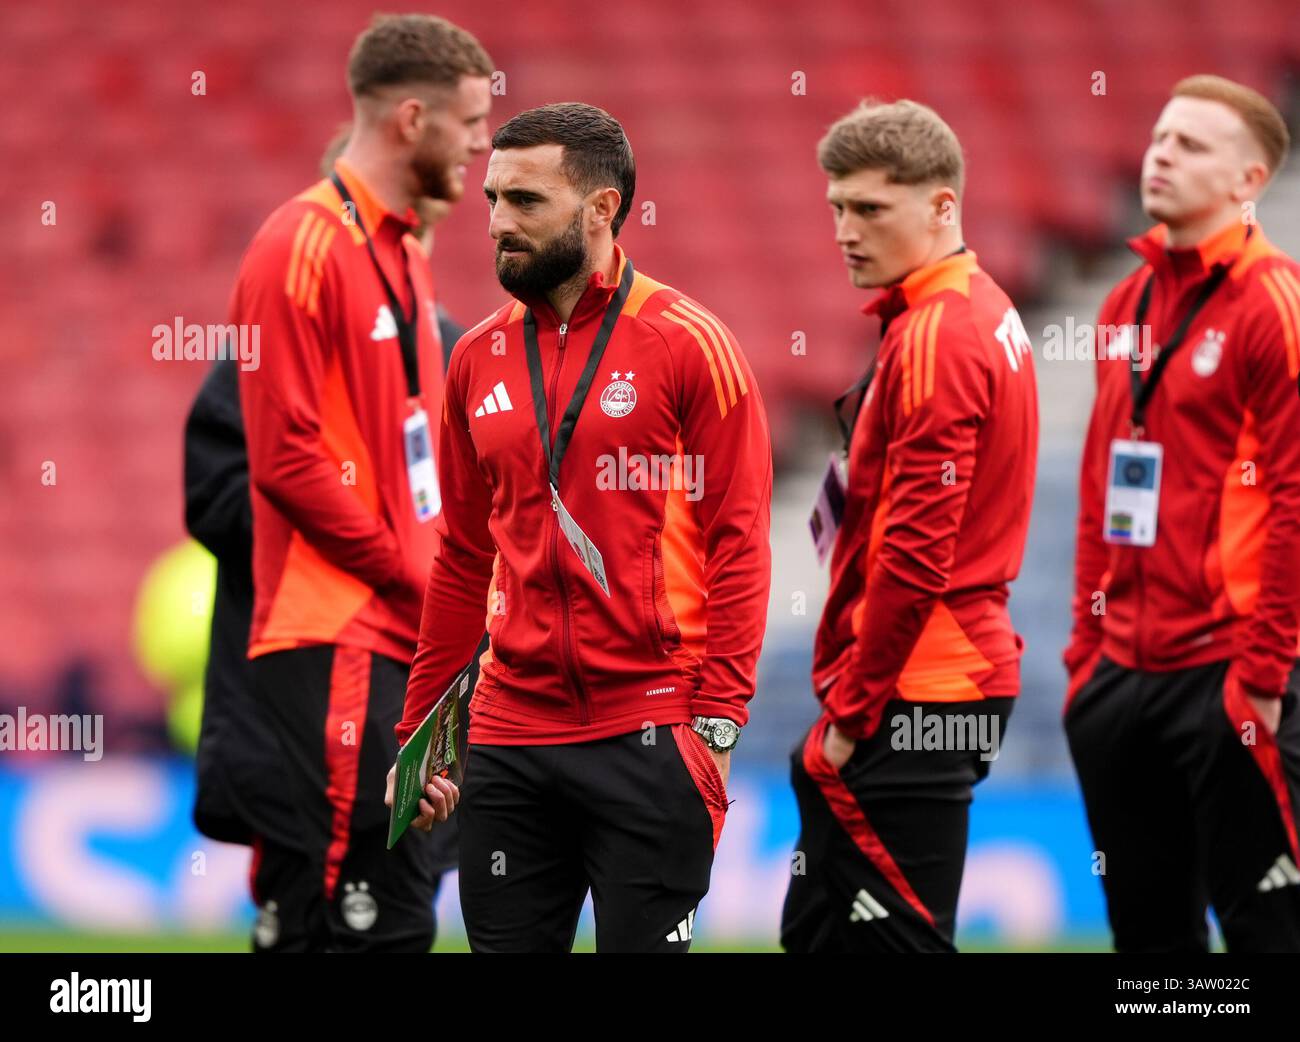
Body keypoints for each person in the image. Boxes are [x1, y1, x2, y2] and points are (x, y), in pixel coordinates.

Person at [390, 103, 773, 952]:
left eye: (525, 201)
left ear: (601, 210)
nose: (496, 223)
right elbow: (460, 559)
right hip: (510, 736)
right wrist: (423, 737)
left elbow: (739, 543)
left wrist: (715, 727)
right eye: (492, 199)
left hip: (649, 727)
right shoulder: (475, 358)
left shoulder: (689, 344)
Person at [232, 13, 492, 951]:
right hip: (340, 628)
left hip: (401, 633)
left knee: (396, 902)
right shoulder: (299, 245)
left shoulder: (404, 256)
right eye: (470, 122)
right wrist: (412, 577)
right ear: (410, 119)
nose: (482, 142)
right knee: (351, 904)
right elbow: (288, 459)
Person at [780, 99, 1039, 952]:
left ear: (942, 205)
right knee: (828, 936)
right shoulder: (974, 309)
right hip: (936, 676)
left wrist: (853, 713)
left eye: (870, 209)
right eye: (837, 209)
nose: (846, 230)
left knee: (890, 944)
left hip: (920, 686)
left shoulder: (938, 335)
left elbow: (916, 555)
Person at [1063, 75, 1300, 952]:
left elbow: (1293, 501)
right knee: (1151, 948)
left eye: (1191, 146)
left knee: (1267, 930)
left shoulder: (1273, 304)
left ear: (1250, 182)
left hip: (1228, 671)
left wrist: (1265, 676)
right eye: (1160, 137)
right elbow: (1101, 485)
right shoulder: (1126, 303)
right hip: (1122, 676)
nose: (1162, 155)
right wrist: (1088, 660)